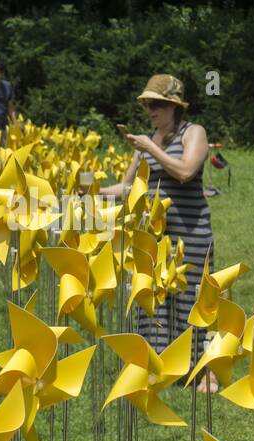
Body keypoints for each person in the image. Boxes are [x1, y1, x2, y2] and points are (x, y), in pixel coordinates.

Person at [99, 74, 215, 391]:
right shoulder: (147, 140)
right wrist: (93, 191)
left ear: (174, 106)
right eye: (147, 104)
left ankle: (200, 370)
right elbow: (127, 186)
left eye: (157, 104)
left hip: (190, 232)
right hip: (155, 235)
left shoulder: (194, 133)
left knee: (191, 298)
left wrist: (150, 146)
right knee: (156, 299)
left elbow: (185, 171)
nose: (150, 110)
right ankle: (160, 364)